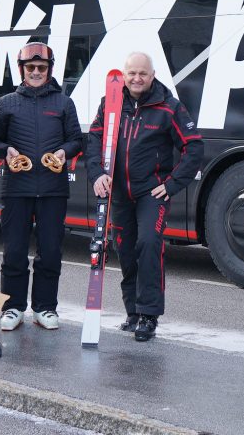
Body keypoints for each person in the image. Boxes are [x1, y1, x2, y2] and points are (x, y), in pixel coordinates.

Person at [86, 51, 203, 342]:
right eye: (132, 73)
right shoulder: (110, 105)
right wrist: (97, 173)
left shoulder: (169, 107)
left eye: (143, 74)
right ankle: (133, 313)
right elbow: (94, 140)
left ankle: (149, 315)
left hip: (152, 193)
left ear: (152, 76)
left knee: (149, 244)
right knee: (124, 250)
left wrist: (173, 183)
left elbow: (194, 147)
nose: (137, 79)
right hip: (120, 194)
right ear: (123, 76)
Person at [0, 43, 82, 331]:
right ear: (21, 70)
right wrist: (6, 150)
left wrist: (63, 153)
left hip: (53, 189)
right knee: (15, 251)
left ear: (49, 70)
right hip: (17, 188)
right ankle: (13, 307)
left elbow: (76, 140)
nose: (35, 72)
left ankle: (45, 308)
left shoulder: (64, 103)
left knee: (50, 251)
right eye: (30, 68)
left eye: (41, 68)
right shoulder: (6, 103)